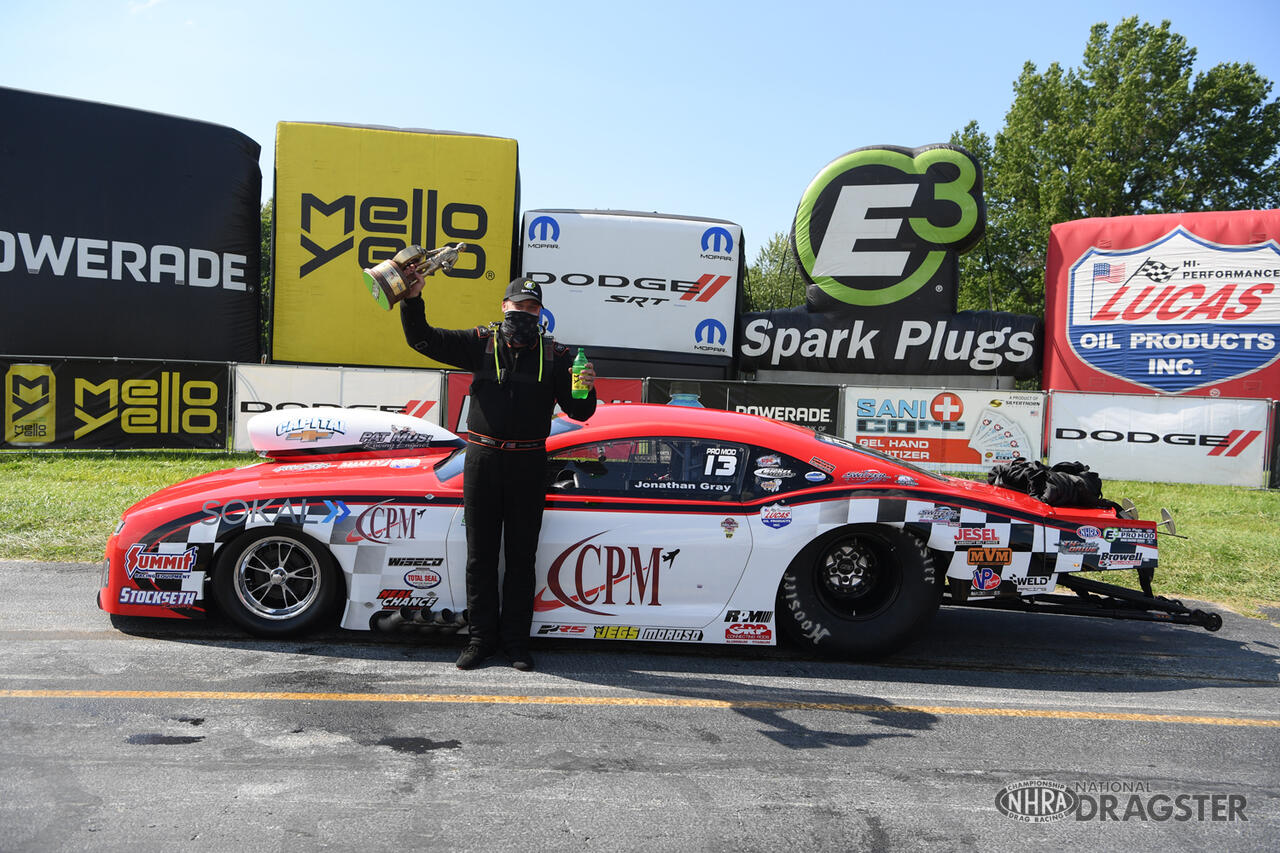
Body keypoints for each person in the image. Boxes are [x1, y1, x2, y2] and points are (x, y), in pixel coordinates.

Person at [400, 270, 596, 671]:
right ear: (503, 307)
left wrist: (588, 386)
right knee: (481, 557)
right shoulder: (479, 343)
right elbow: (423, 339)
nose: (523, 312)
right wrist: (412, 299)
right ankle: (480, 640)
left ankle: (516, 644)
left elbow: (580, 412)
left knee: (522, 558)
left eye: (532, 307)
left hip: (528, 462)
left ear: (541, 313)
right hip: (482, 460)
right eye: (517, 305)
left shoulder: (558, 356)